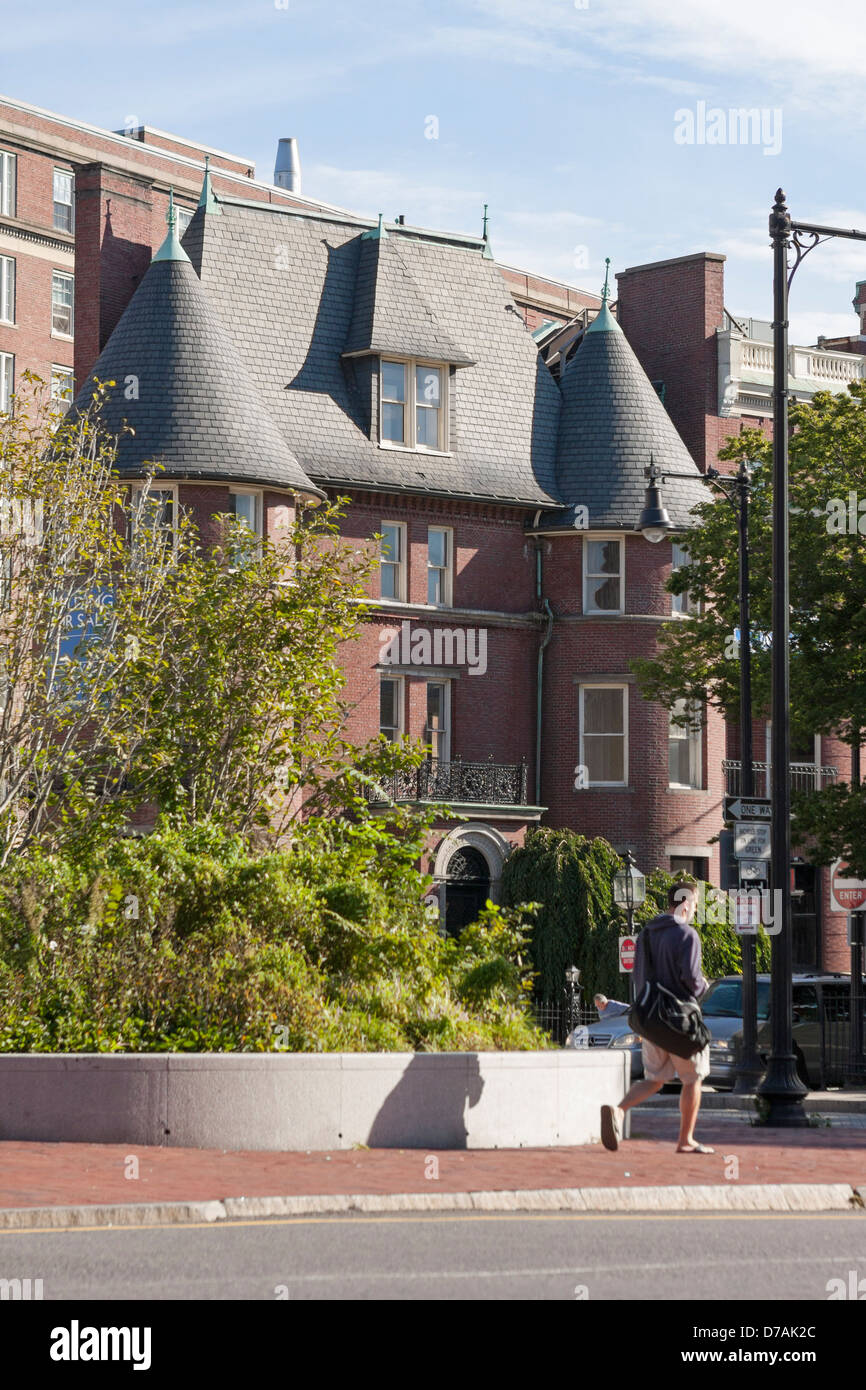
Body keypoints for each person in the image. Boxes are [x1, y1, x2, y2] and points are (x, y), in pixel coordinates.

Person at [600, 878, 714, 1154]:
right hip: (679, 1020)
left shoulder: (648, 933)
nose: (695, 910)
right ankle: (685, 1140)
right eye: (696, 905)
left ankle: (618, 1110)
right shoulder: (687, 935)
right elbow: (690, 979)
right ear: (686, 903)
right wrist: (704, 986)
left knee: (654, 1079)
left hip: (651, 1017)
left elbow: (639, 976)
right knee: (692, 1078)